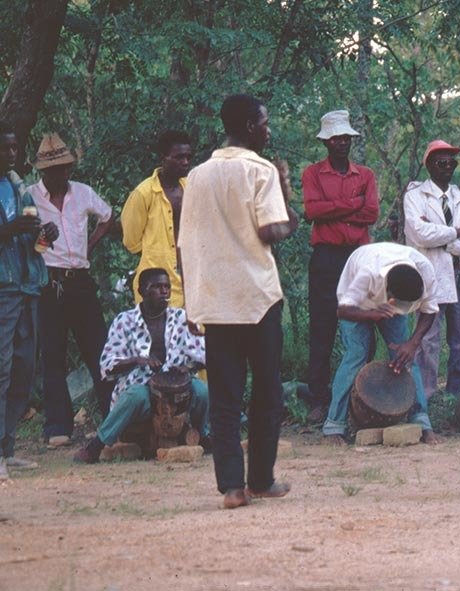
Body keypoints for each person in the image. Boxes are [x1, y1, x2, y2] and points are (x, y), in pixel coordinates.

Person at [179, 94, 299, 509]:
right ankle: (261, 480)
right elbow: (271, 231)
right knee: (267, 392)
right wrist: (288, 203)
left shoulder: (196, 175)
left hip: (215, 301)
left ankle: (232, 487)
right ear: (249, 127)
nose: (268, 130)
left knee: (225, 396)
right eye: (264, 123)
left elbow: (187, 243)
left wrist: (193, 304)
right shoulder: (260, 169)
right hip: (257, 297)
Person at [27, 133, 115, 445]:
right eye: (50, 170)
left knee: (99, 351)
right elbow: (28, 249)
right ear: (41, 172)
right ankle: (58, 427)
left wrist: (89, 245)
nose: (57, 175)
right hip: (49, 282)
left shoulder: (83, 193)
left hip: (80, 280)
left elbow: (108, 216)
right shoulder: (30, 198)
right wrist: (42, 240)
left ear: (69, 168)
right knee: (52, 354)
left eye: (62, 168)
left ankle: (113, 417)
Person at [73, 268, 208, 463]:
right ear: (142, 291)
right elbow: (107, 366)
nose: (164, 292)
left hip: (178, 394)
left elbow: (204, 354)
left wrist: (188, 368)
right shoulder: (124, 321)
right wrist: (137, 360)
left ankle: (203, 435)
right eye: (157, 287)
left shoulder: (181, 318)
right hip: (143, 393)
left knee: (202, 390)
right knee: (134, 396)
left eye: (167, 287)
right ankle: (96, 446)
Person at [323, 242, 443, 445]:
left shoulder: (425, 271)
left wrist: (412, 343)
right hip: (356, 305)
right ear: (387, 290)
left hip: (387, 303)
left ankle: (422, 422)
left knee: (405, 358)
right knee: (356, 355)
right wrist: (372, 314)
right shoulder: (367, 272)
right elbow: (342, 311)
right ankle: (334, 426)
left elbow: (430, 310)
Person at [302, 110, 379, 423]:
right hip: (326, 257)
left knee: (362, 326)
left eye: (346, 137)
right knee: (322, 327)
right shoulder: (313, 174)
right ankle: (318, 400)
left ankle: (362, 397)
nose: (342, 143)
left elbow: (371, 213)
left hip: (358, 256)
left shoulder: (365, 175)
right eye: (336, 138)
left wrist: (334, 211)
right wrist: (351, 206)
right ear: (326, 142)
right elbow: (312, 211)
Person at [404, 140, 460, 402]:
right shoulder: (415, 196)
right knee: (428, 341)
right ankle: (424, 398)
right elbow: (419, 233)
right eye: (442, 162)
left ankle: (455, 397)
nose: (448, 167)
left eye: (452, 162)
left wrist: (444, 239)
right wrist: (455, 232)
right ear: (428, 165)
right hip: (431, 277)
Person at [0, 122, 59, 480]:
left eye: (14, 148)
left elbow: (34, 242)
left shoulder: (17, 186)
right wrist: (8, 231)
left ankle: (7, 449)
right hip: (3, 287)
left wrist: (44, 236)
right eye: (5, 148)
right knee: (1, 368)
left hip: (26, 286)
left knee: (22, 369)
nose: (11, 154)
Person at [121, 130, 193, 308]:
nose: (185, 162)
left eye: (188, 157)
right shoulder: (143, 193)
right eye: (179, 157)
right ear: (163, 158)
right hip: (156, 286)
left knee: (194, 334)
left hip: (191, 282)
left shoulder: (192, 189)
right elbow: (131, 242)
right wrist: (158, 255)